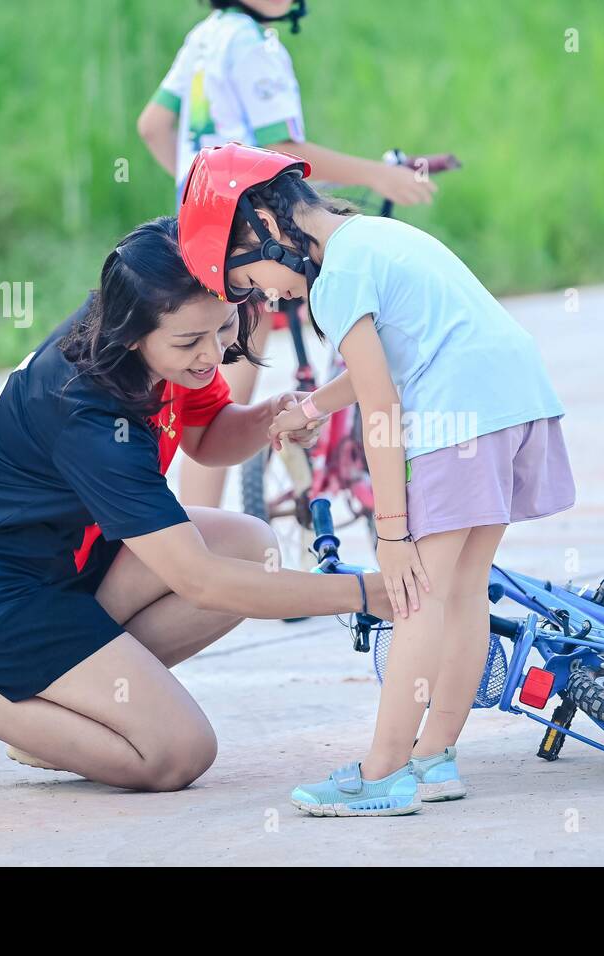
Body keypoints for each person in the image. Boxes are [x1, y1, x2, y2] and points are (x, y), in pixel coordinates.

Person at [0, 215, 392, 801]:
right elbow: (200, 580)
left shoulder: (155, 336)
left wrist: (273, 416)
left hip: (71, 561)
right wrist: (367, 594)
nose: (211, 355)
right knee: (177, 754)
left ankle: (63, 716)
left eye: (222, 329)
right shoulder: (90, 410)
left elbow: (208, 433)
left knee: (251, 547)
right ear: (131, 333)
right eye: (189, 342)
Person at [178, 143, 575, 816]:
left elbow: (383, 406)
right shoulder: (373, 239)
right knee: (462, 588)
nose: (266, 296)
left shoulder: (334, 282)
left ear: (269, 228)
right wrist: (311, 407)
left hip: (459, 419)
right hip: (515, 400)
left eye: (252, 279)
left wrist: (391, 535)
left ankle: (384, 770)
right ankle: (434, 759)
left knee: (415, 592)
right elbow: (383, 364)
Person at [137, 0, 438, 510]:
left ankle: (195, 528)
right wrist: (380, 175)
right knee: (219, 399)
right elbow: (284, 146)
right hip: (251, 246)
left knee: (202, 390)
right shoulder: (257, 45)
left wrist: (202, 204)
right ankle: (203, 538)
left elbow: (152, 125)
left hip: (206, 243)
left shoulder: (205, 36)